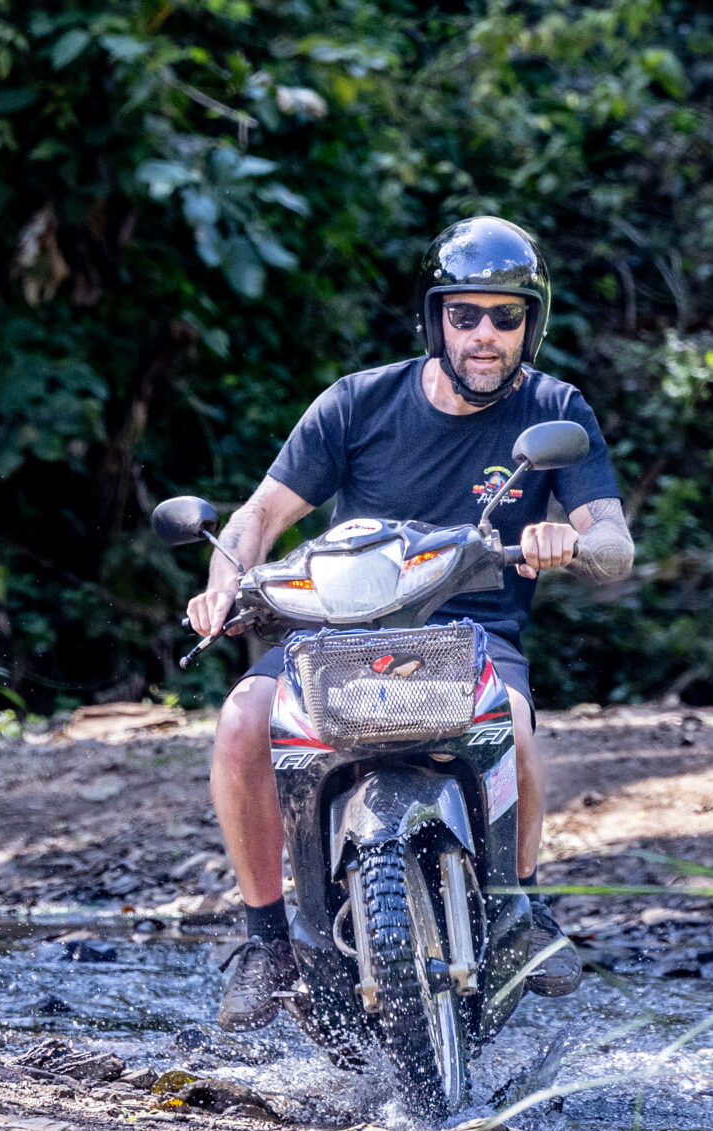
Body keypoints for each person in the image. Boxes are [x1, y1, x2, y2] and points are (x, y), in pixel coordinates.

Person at [187, 216, 634, 1032]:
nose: (485, 334)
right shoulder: (357, 403)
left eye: (505, 316)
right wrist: (223, 584)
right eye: (465, 315)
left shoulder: (554, 408)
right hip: (337, 633)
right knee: (242, 720)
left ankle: (520, 910)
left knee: (514, 725)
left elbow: (615, 542)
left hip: (471, 636)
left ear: (530, 324)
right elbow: (258, 517)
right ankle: (266, 940)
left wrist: (570, 542)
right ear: (436, 321)